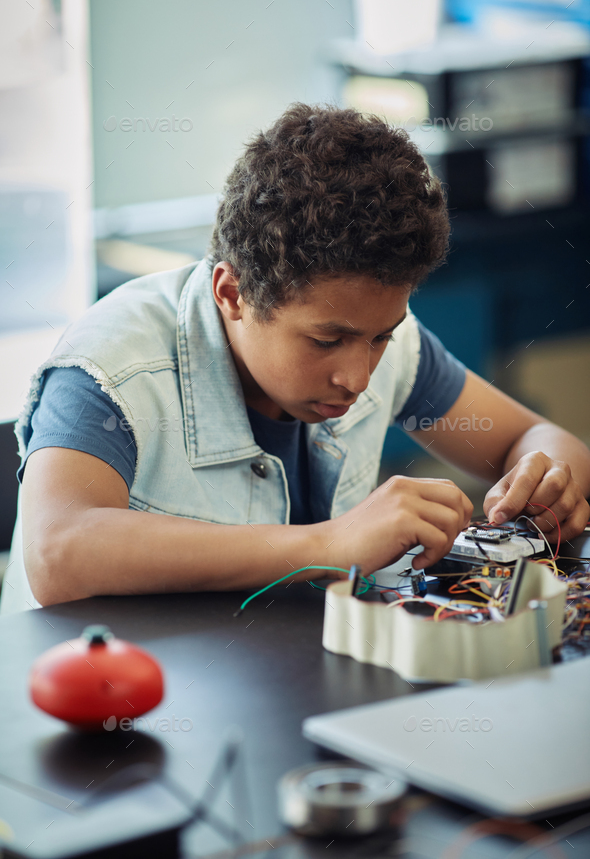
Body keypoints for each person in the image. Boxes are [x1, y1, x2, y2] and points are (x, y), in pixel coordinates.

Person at [7, 103, 590, 612]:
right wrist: (330, 545)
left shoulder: (376, 337)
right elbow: (58, 552)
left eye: (381, 337)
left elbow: (537, 438)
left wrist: (548, 481)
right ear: (232, 294)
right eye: (325, 340)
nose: (358, 376)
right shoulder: (110, 367)